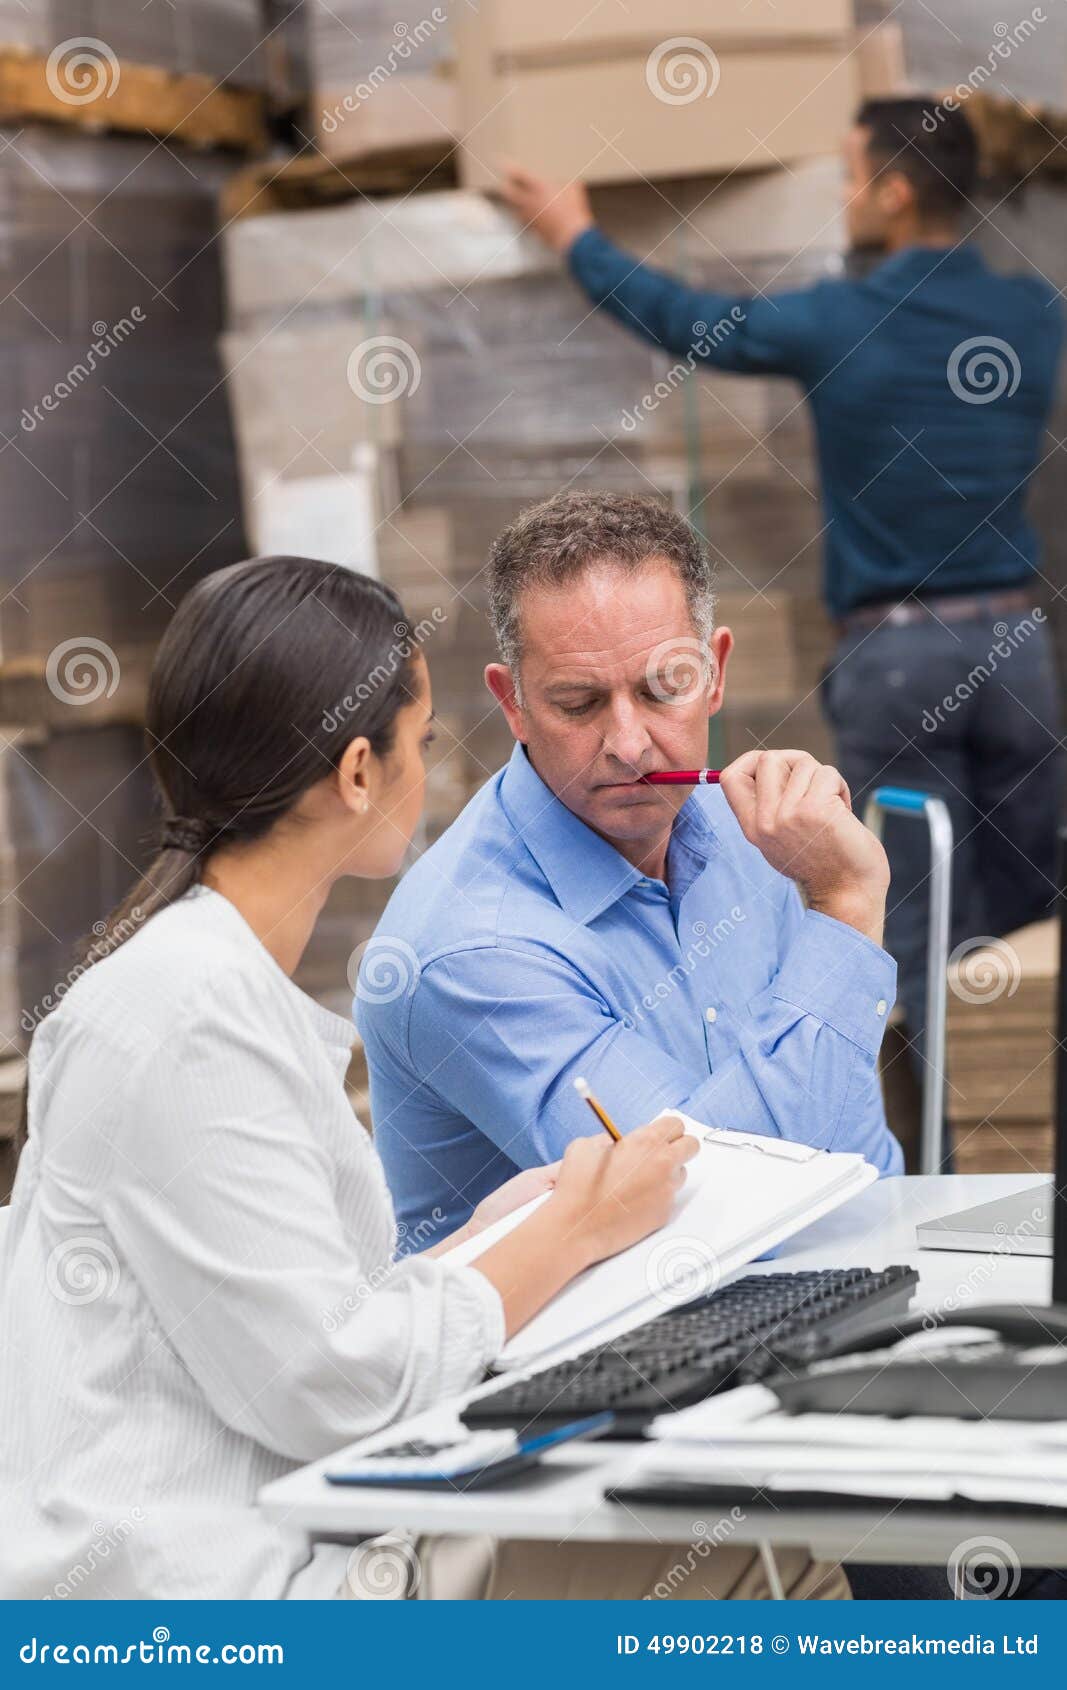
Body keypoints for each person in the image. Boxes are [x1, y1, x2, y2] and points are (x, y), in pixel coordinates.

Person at [1, 554, 841, 1602]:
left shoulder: (194, 983)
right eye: (422, 740)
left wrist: (493, 1228)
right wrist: (572, 1230)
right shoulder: (188, 1016)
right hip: (221, 1599)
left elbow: (290, 1317)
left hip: (275, 1537)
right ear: (358, 771)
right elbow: (334, 1386)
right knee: (771, 1560)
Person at [500, 98, 1066, 1083]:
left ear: (892, 192)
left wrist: (576, 237)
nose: (841, 196)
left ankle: (939, 1147)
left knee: (912, 925)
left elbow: (686, 323)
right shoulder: (1029, 315)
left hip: (895, 656)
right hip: (1018, 651)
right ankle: (1022, 1150)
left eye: (849, 177)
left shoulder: (837, 320)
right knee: (1028, 933)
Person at [359, 490, 902, 1247]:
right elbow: (704, 1208)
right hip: (606, 1346)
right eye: (578, 703)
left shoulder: (756, 834)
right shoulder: (468, 949)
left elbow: (858, 1151)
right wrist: (842, 908)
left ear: (713, 674)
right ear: (511, 703)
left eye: (661, 690)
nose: (630, 745)